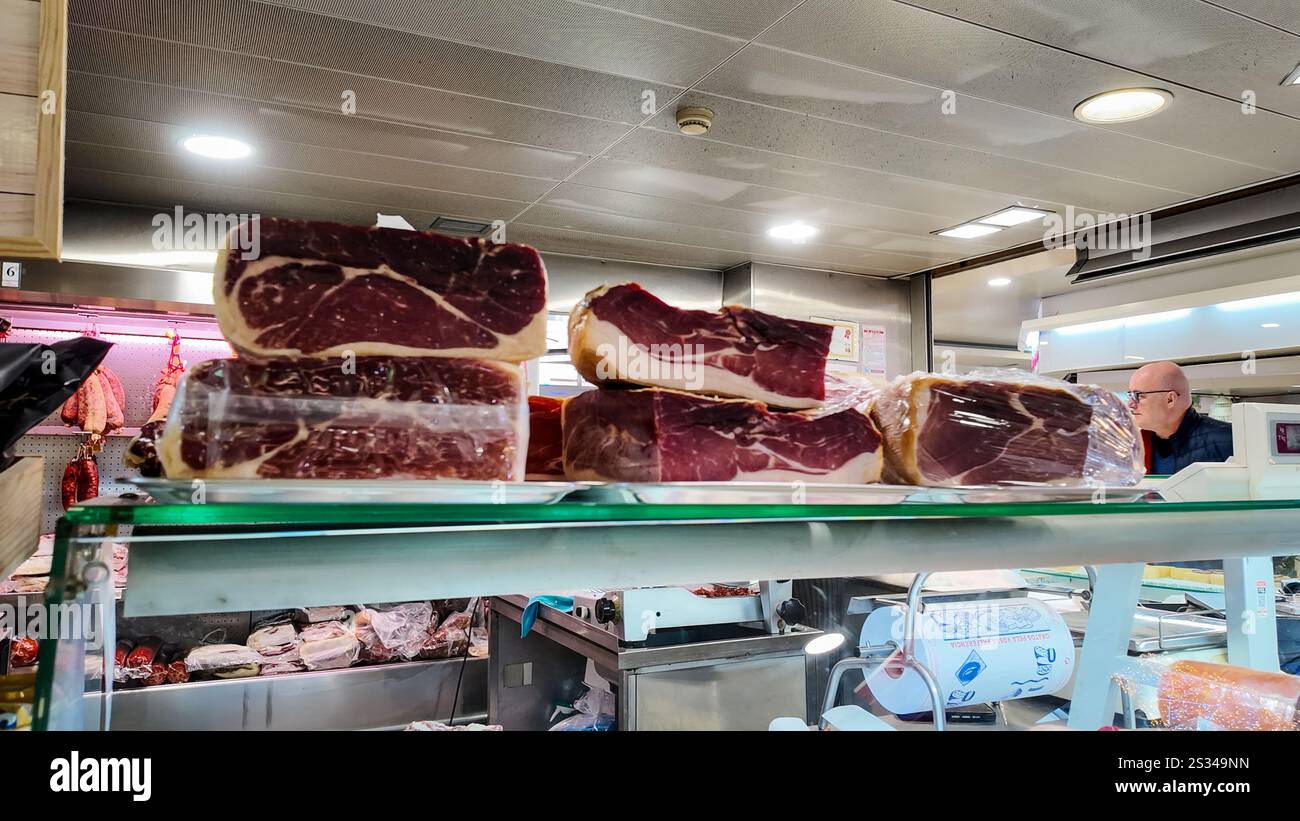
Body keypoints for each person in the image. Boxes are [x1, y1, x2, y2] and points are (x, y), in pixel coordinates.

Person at [1127, 361, 1233, 475]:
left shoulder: (1231, 441)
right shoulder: (1137, 446)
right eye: (1130, 395)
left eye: (1138, 396)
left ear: (1170, 399)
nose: (1130, 404)